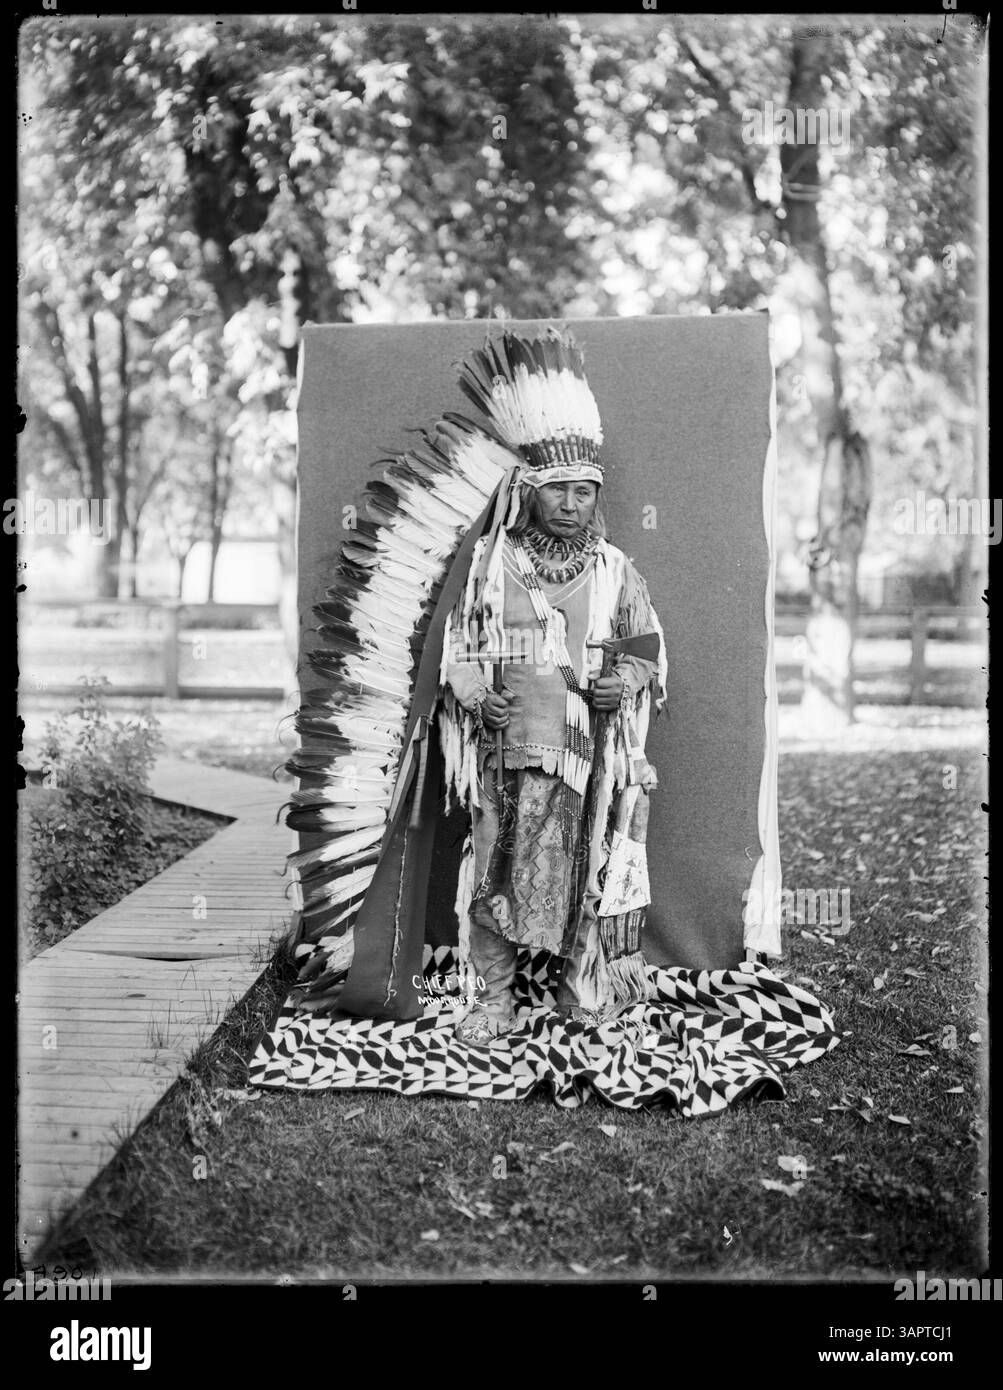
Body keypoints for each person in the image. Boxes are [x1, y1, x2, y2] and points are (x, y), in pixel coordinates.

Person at [438, 328, 666, 1043]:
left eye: (584, 491)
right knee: (493, 876)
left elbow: (646, 645)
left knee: (587, 871)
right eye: (558, 490)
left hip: (587, 757)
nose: (571, 503)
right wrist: (477, 696)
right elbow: (457, 646)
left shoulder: (613, 569)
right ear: (529, 492)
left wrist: (621, 680)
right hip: (504, 749)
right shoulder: (490, 562)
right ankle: (494, 1001)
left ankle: (580, 994)